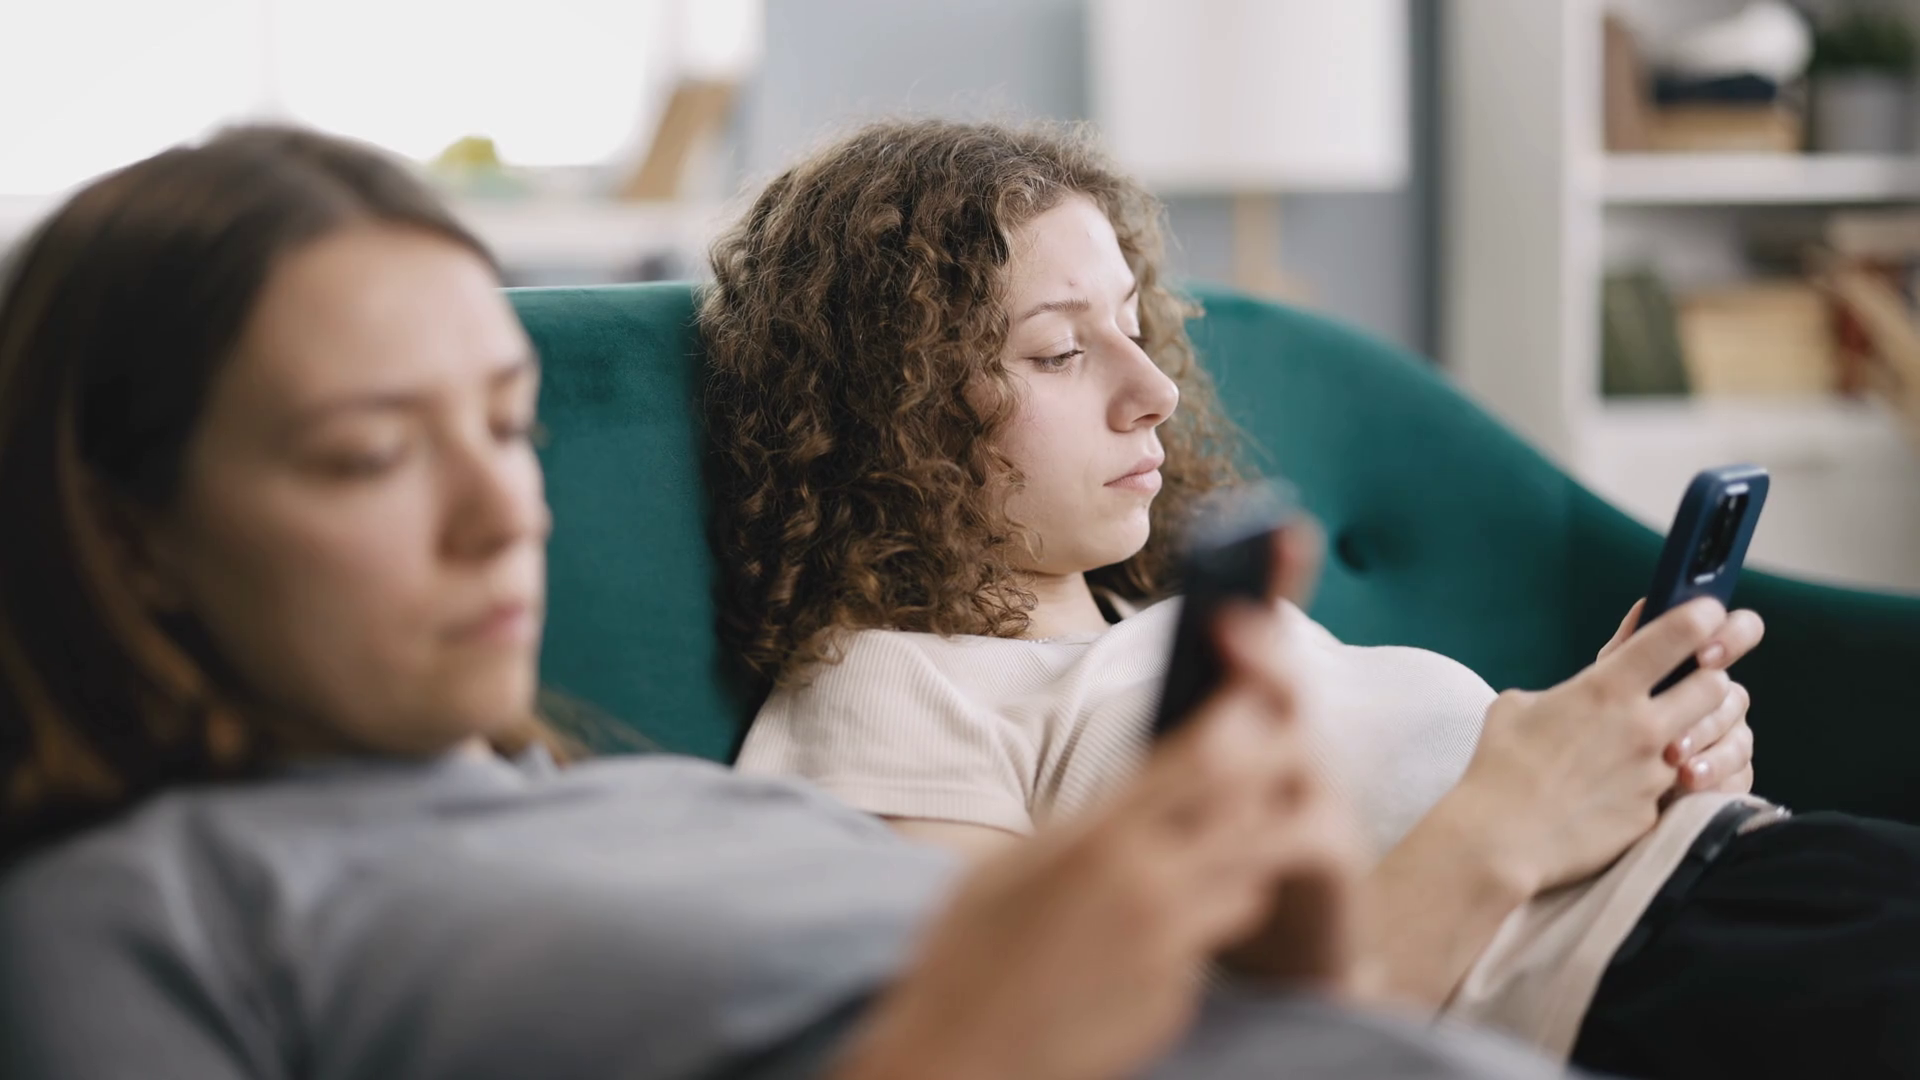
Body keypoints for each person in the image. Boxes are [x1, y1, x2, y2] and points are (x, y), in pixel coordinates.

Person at [0, 125, 1578, 1080]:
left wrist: (1265, 933)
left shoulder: (639, 808)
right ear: (125, 532)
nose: (503, 514)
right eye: (366, 454)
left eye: (501, 421)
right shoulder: (142, 912)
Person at [708, 118, 1920, 1079]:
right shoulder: (886, 686)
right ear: (893, 407)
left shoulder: (1172, 626)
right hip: (1666, 976)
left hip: (1768, 879)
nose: (1155, 394)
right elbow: (1029, 1054)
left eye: (1136, 329)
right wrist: (1511, 816)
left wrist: (1640, 763)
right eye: (1061, 351)